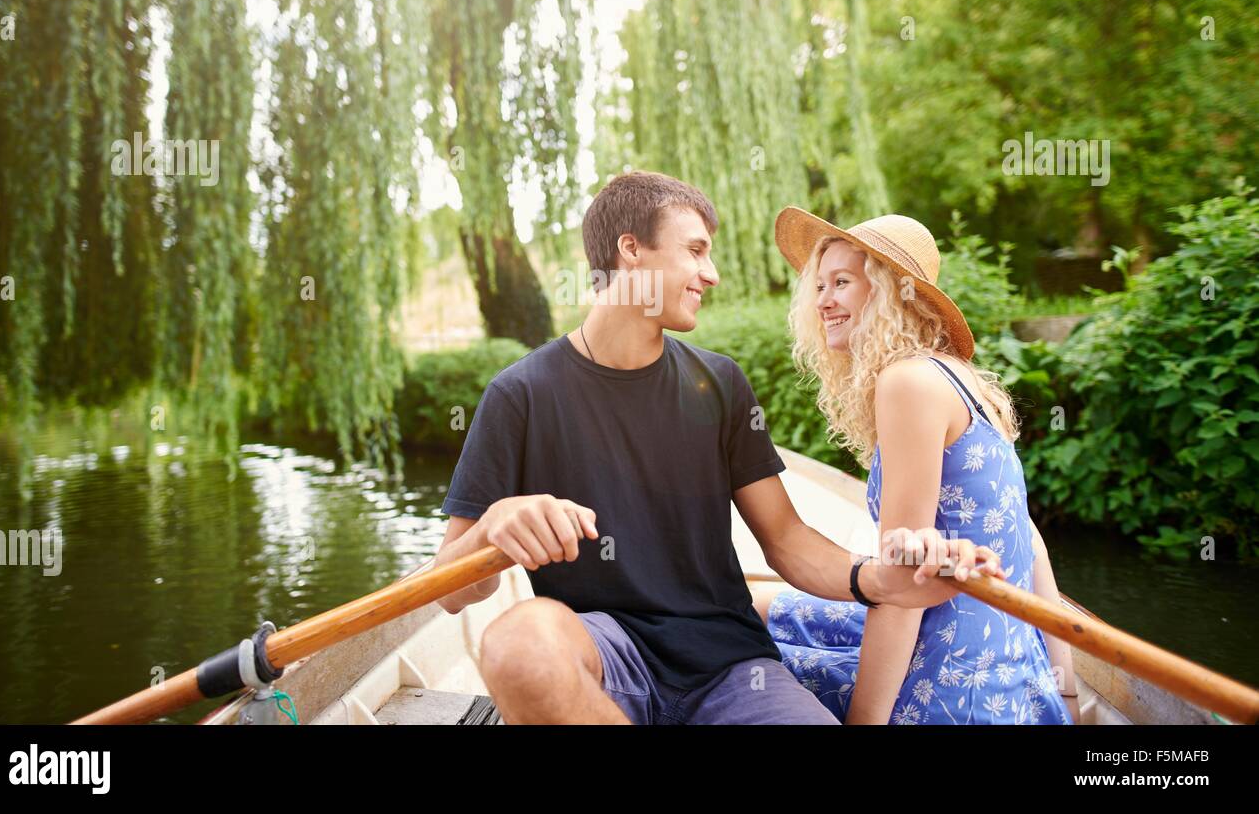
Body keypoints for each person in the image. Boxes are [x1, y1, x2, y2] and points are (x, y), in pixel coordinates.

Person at [428, 171, 1004, 725]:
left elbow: (786, 540)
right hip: (606, 658)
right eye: (696, 250)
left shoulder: (720, 384)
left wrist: (875, 580)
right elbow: (454, 591)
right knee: (518, 645)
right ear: (631, 249)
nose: (713, 274)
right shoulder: (519, 394)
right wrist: (492, 527)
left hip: (731, 667)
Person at [749, 207, 1076, 725]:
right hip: (1019, 676)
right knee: (759, 603)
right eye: (820, 283)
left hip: (952, 688)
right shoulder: (960, 379)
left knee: (732, 660)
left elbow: (901, 589)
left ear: (887, 292)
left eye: (842, 283)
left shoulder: (907, 384)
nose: (822, 301)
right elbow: (1029, 539)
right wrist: (1067, 695)